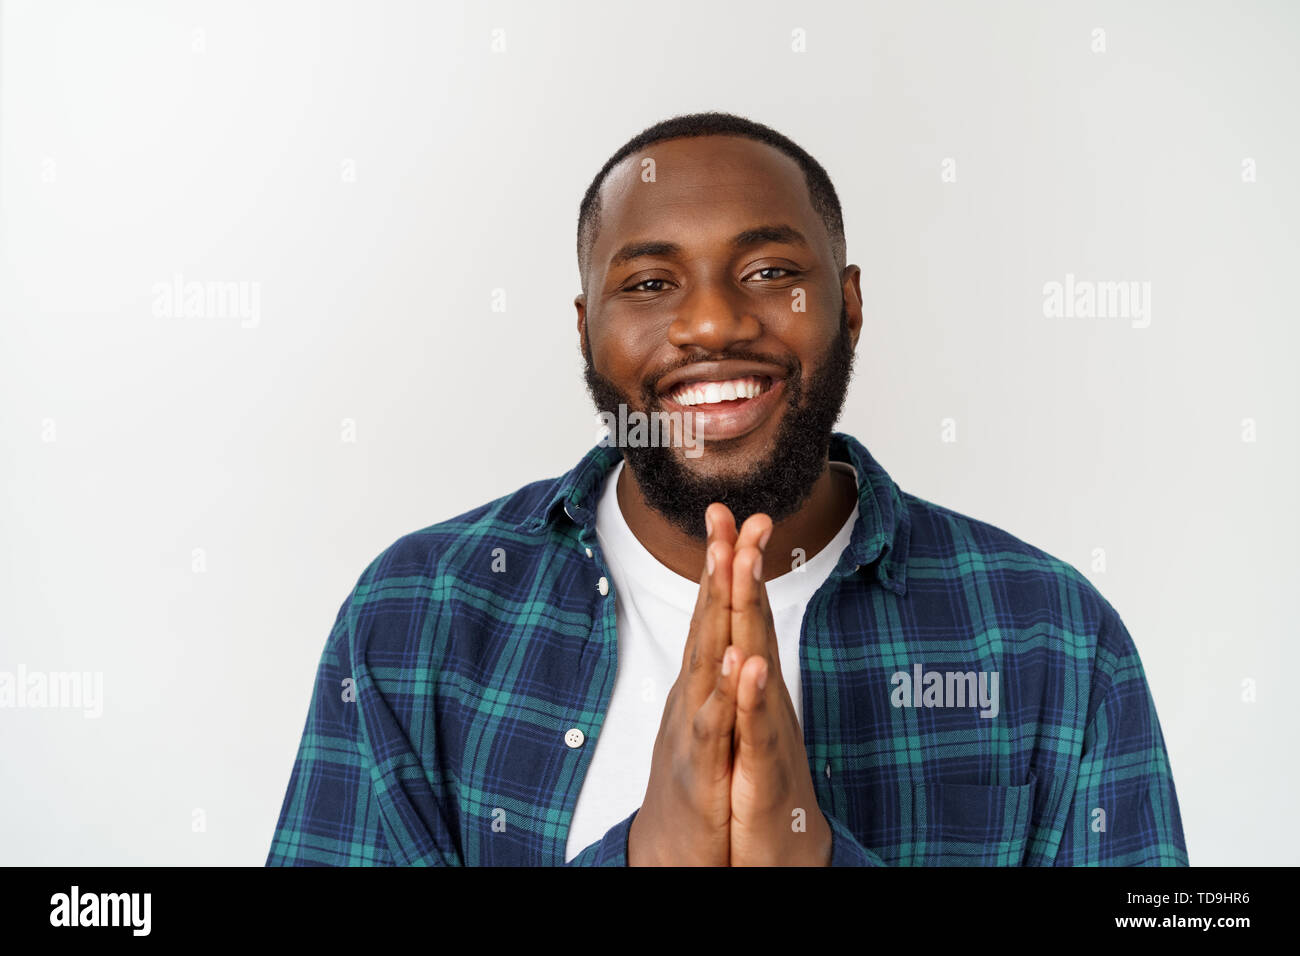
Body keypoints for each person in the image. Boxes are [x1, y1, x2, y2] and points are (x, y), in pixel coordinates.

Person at [266, 111, 1187, 866]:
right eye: (652, 281)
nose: (710, 321)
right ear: (587, 330)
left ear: (850, 304)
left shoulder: (1055, 638)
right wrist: (648, 859)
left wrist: (815, 860)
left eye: (771, 272)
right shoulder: (415, 617)